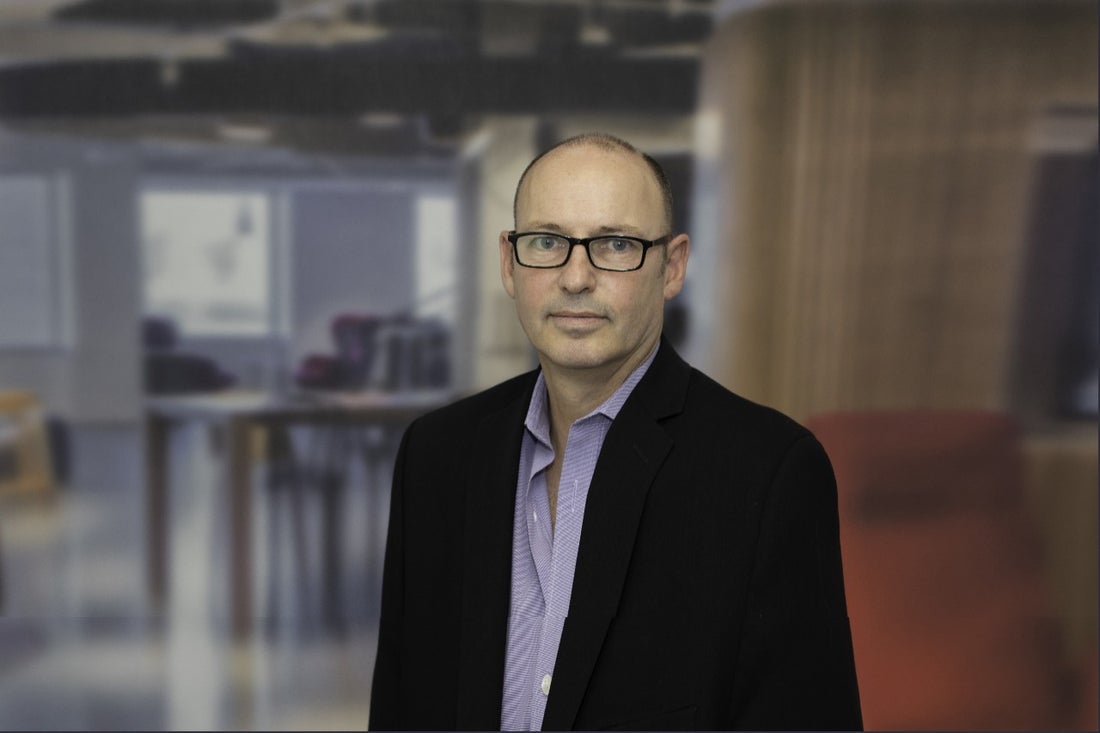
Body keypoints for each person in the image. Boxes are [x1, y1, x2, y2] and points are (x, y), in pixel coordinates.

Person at [369, 133, 862, 731]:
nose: (575, 277)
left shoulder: (768, 472)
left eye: (615, 244)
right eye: (547, 242)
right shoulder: (436, 455)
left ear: (672, 267)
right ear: (509, 262)